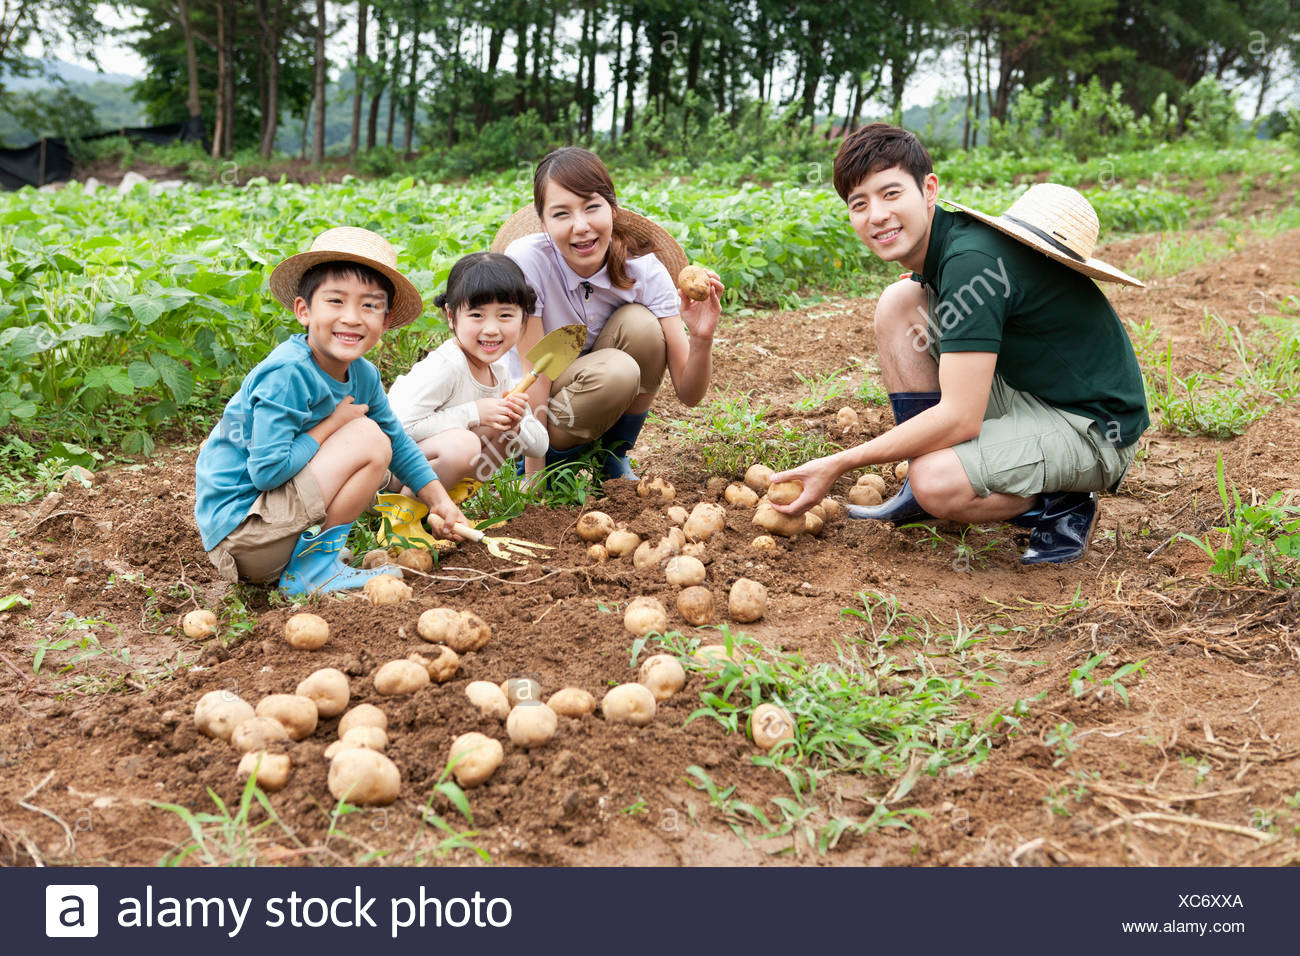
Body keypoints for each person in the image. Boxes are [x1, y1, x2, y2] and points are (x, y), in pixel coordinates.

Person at [770, 124, 1149, 565]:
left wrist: (838, 463)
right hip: (1036, 393)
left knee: (936, 480)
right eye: (860, 203)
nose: (876, 215)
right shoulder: (953, 251)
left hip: (1094, 429)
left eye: (890, 194)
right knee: (901, 303)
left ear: (929, 189)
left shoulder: (971, 261)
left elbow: (961, 418)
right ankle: (924, 489)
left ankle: (1061, 502)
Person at [194, 226, 468, 595]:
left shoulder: (363, 374)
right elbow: (267, 472)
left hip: (274, 528)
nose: (353, 317)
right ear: (304, 311)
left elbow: (398, 442)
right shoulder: (288, 373)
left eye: (370, 305)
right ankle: (310, 570)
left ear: (385, 321)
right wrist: (332, 424)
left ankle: (312, 559)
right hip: (244, 536)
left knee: (378, 436)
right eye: (336, 302)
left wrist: (440, 501)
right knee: (367, 438)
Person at [496, 146, 723, 479]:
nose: (581, 226)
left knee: (642, 327)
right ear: (543, 223)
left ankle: (611, 456)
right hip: (536, 414)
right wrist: (533, 475)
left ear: (613, 210)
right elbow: (537, 373)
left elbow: (689, 395)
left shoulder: (644, 269)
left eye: (592, 207)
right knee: (616, 371)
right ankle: (555, 464)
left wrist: (702, 337)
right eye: (561, 214)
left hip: (594, 390)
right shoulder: (528, 262)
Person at [386, 252, 549, 493]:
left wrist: (519, 424)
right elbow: (398, 429)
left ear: (523, 318)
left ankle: (445, 507)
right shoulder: (447, 366)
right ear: (451, 317)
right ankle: (406, 514)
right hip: (387, 472)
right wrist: (474, 412)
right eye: (476, 315)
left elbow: (539, 447)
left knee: (504, 429)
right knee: (464, 445)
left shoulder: (499, 372)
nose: (492, 329)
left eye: (505, 315)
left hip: (426, 467)